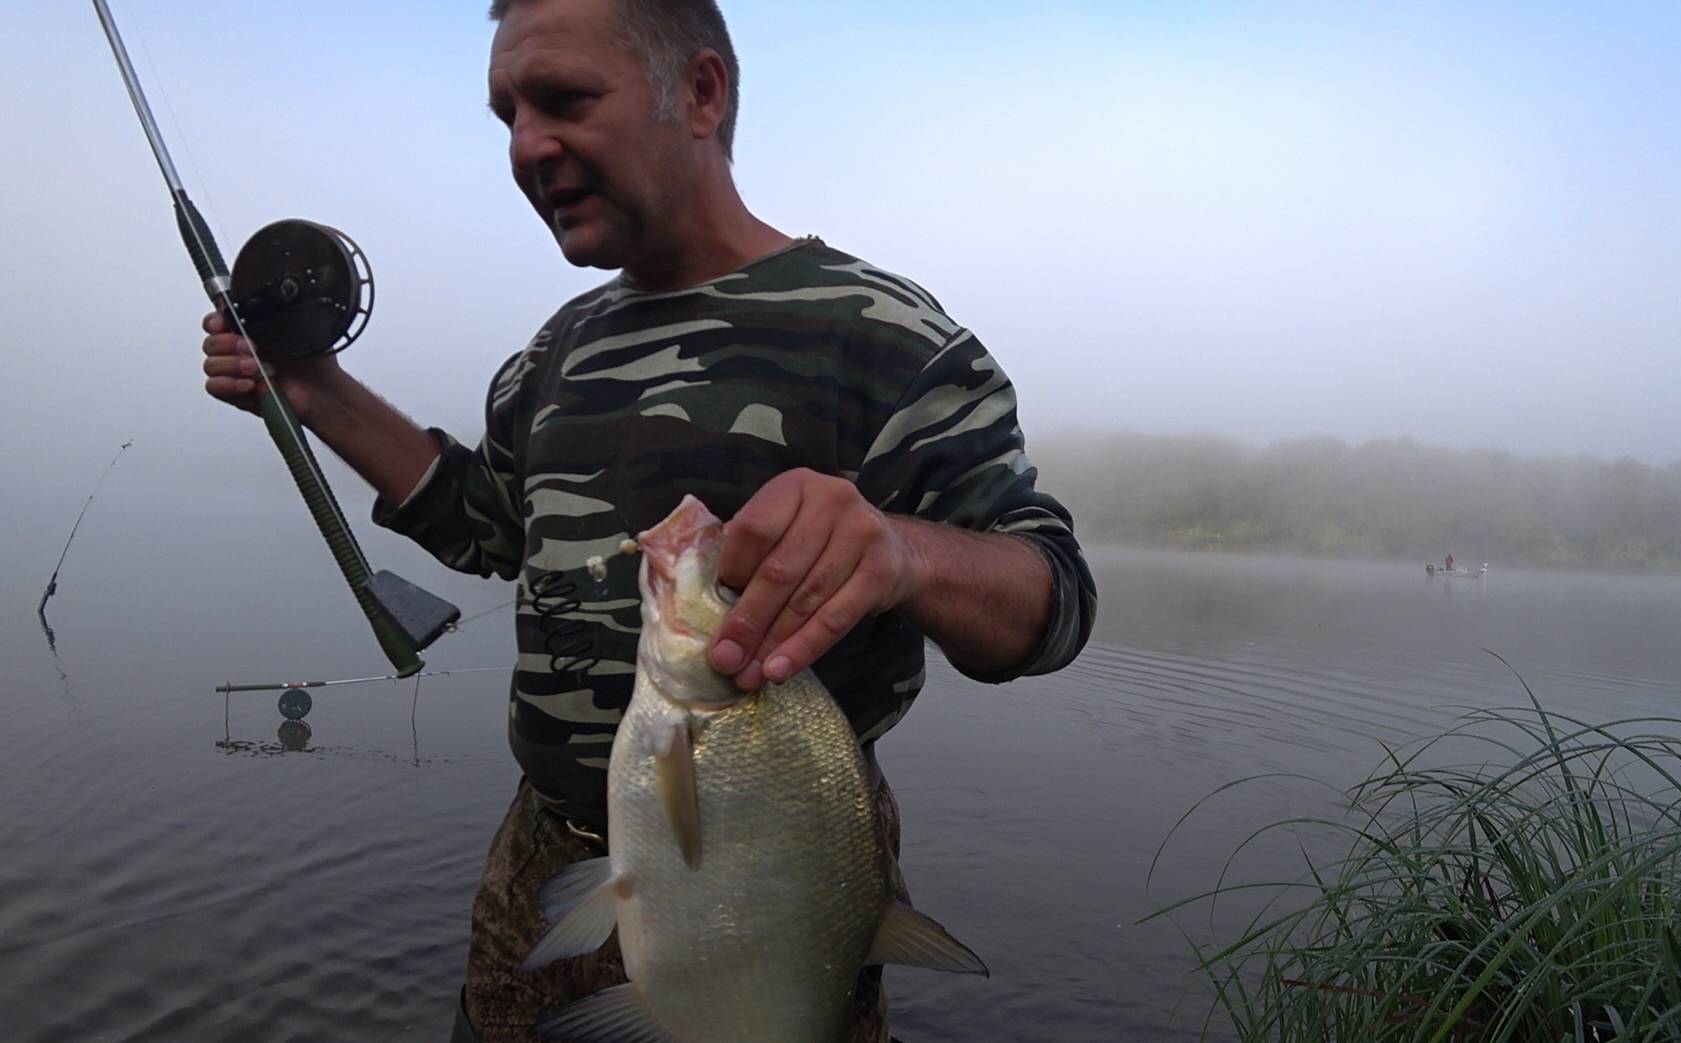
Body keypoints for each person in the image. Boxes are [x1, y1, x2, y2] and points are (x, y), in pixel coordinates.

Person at [198, 1, 1096, 1040]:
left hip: (785, 867)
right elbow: (488, 526)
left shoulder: (889, 340)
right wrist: (314, 388)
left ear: (702, 92)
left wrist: (903, 552)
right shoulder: (555, 352)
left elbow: (1055, 601)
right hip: (551, 860)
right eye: (506, 116)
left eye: (566, 99)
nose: (529, 145)